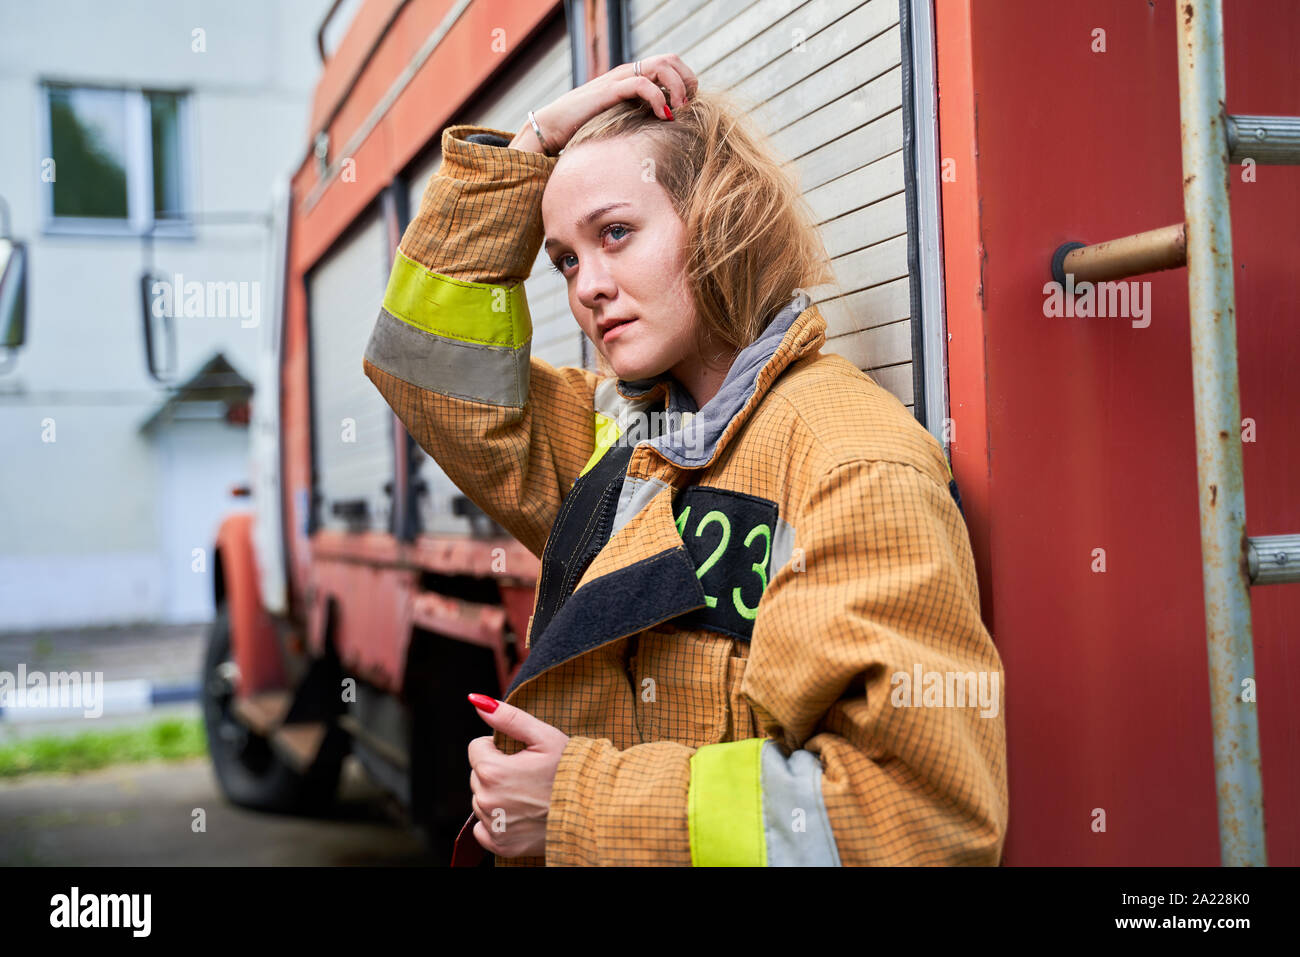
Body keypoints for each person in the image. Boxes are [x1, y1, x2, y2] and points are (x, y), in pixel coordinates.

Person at [363, 54, 1007, 866]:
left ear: (718, 218)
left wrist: (576, 806)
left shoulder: (851, 463)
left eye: (616, 233)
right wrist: (532, 145)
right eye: (565, 258)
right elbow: (423, 363)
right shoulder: (624, 437)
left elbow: (918, 818)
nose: (587, 287)